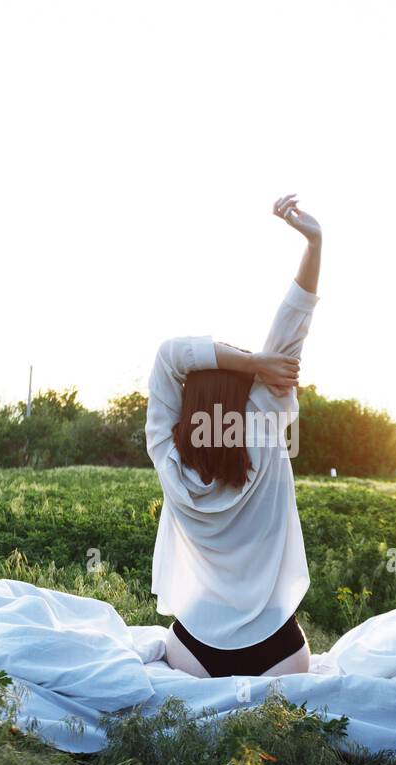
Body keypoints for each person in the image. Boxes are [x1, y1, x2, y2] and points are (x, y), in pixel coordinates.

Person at [145, 193, 321, 678]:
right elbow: (294, 321)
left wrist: (249, 362)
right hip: (278, 648)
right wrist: (315, 242)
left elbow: (169, 354)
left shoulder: (169, 460)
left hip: (196, 647)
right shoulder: (263, 427)